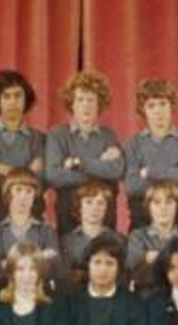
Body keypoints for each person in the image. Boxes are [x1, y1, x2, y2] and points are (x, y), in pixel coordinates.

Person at [45, 69, 125, 234]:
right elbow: (54, 176)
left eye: (91, 100)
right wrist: (100, 169)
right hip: (68, 212)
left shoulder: (108, 135)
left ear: (99, 104)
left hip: (104, 213)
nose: (86, 105)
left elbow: (117, 170)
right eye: (80, 99)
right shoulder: (57, 134)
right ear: (72, 104)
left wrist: (79, 163)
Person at [123, 77, 178, 229]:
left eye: (163, 104)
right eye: (151, 105)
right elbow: (132, 186)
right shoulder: (132, 144)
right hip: (141, 222)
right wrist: (177, 173)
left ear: (171, 105)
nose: (158, 110)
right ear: (143, 110)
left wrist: (150, 172)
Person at [0, 69, 47, 234]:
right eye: (6, 96)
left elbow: (42, 182)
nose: (12, 101)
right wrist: (26, 173)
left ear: (26, 99)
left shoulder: (41, 139)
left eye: (18, 96)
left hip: (31, 223)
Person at [0, 169, 62, 293]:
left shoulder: (47, 232)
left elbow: (54, 268)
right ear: (8, 193)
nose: (23, 197)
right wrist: (39, 257)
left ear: (35, 196)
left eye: (29, 191)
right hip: (2, 297)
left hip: (39, 296)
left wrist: (7, 262)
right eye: (18, 190)